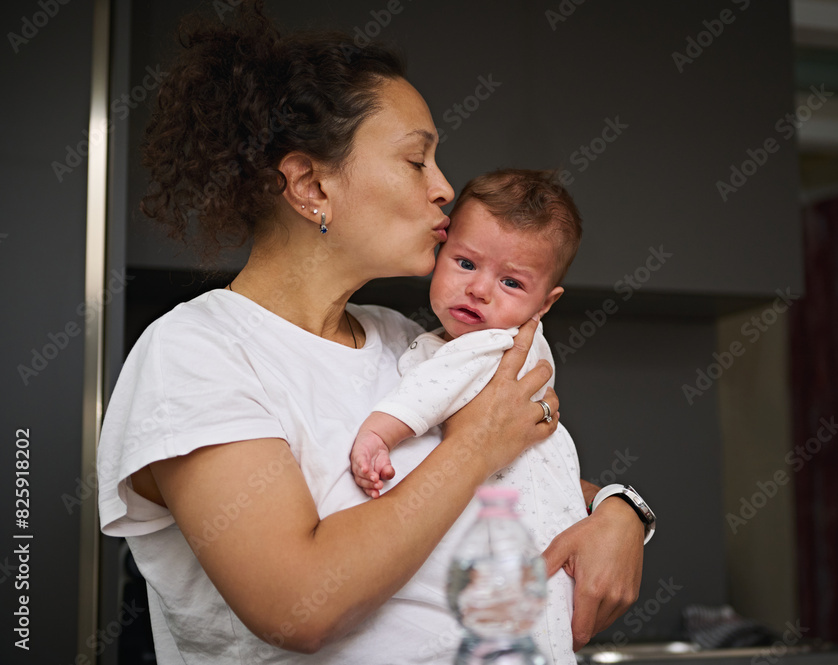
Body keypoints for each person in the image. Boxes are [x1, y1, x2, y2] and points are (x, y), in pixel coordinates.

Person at [96, 3, 645, 664]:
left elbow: (524, 462)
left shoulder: (402, 337)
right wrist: (471, 445)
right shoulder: (197, 352)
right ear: (309, 185)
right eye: (418, 161)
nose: (446, 189)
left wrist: (620, 511)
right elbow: (297, 604)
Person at [349, 169, 586, 661]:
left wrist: (379, 433)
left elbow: (433, 389)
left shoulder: (496, 345)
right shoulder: (498, 344)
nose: (479, 289)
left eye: (511, 281)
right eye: (464, 262)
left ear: (546, 303)